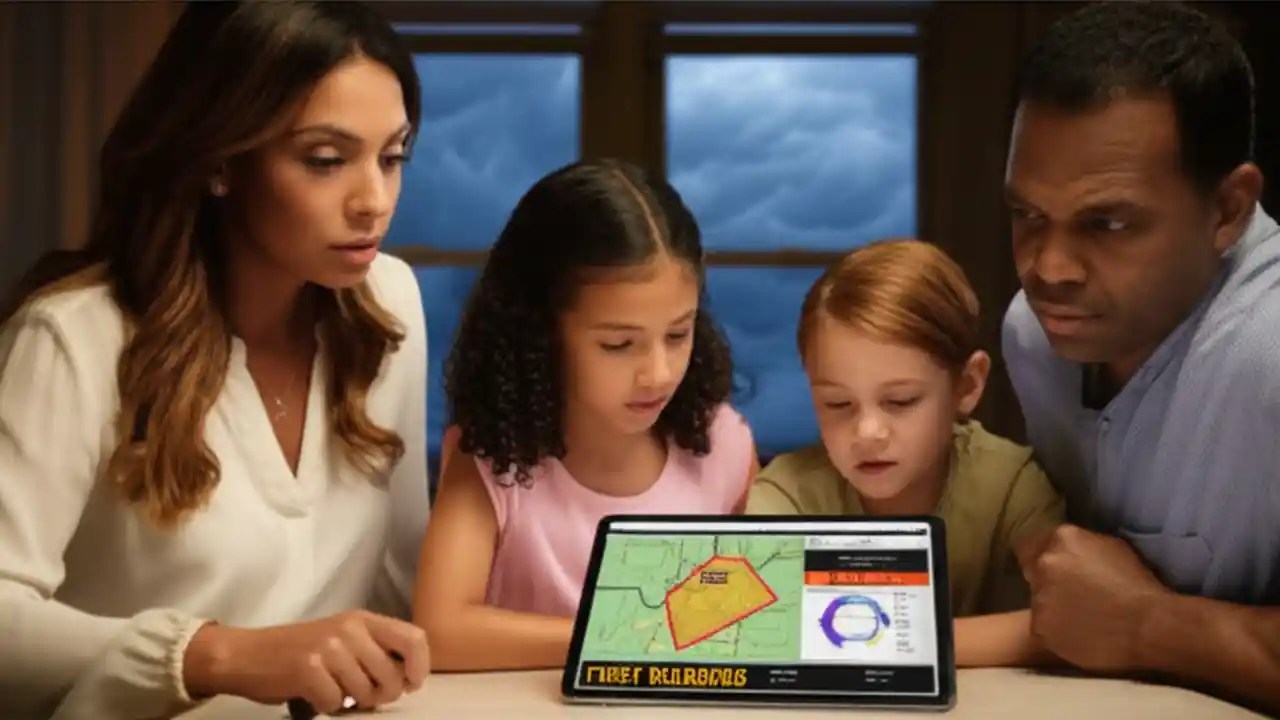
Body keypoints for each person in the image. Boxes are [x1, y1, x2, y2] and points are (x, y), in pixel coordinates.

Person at [0, 3, 432, 718]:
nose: (374, 200)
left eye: (392, 157)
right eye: (326, 161)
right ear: (222, 161)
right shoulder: (74, 339)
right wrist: (211, 655)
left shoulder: (391, 302)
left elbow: (398, 588)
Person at [1001, 1, 1280, 712]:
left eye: (1110, 223)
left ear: (1228, 209)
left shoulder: (1270, 349)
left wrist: (1146, 624)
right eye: (1028, 215)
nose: (1049, 269)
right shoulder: (1033, 334)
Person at [414, 159, 758, 672]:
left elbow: (760, 605)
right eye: (618, 344)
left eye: (678, 334)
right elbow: (439, 633)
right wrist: (636, 633)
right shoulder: (494, 456)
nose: (658, 373)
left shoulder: (723, 445)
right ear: (541, 334)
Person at [745, 239, 1063, 667]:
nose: (868, 433)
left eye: (901, 401)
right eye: (838, 403)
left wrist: (873, 640)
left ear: (967, 385)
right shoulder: (787, 495)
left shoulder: (1010, 485)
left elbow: (1075, 620)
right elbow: (762, 628)